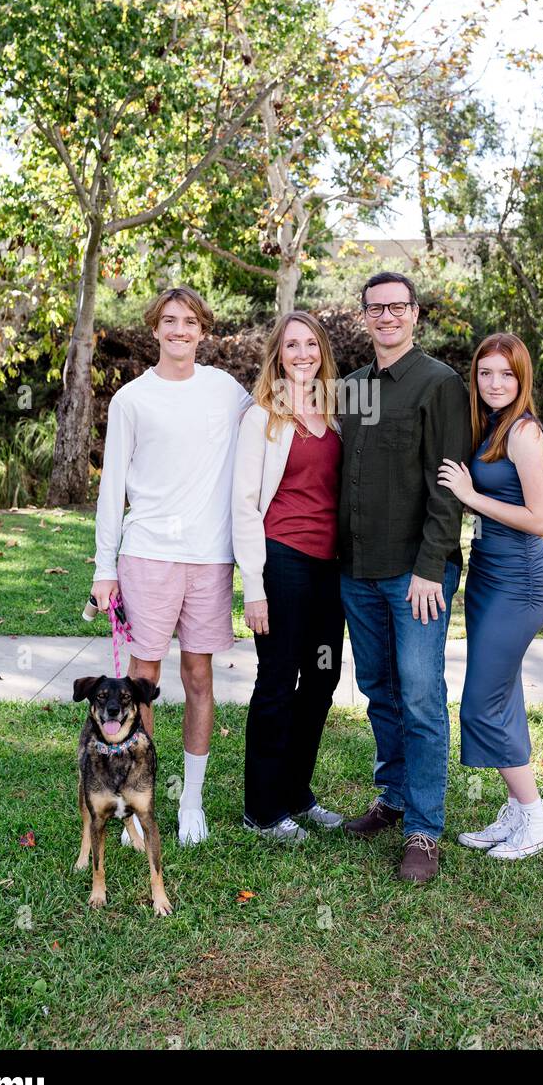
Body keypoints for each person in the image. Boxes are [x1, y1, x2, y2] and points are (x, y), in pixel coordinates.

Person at [92, 285, 251, 847]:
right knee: (145, 680)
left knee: (199, 677)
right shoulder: (132, 400)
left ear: (203, 332)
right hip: (146, 554)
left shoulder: (228, 392)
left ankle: (192, 801)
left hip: (209, 557)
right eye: (169, 320)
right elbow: (112, 488)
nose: (180, 330)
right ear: (155, 328)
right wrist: (102, 569)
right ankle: (140, 802)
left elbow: (274, 428)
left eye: (190, 322)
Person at [338, 272, 471, 883]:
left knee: (420, 697)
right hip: (358, 571)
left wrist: (431, 568)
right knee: (379, 690)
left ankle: (424, 829)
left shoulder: (440, 383)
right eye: (376, 308)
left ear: (415, 313)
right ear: (364, 316)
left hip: (416, 575)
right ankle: (391, 798)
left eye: (397, 307)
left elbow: (450, 485)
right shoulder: (354, 388)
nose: (386, 316)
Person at [438, 331, 543, 860]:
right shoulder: (490, 425)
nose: (494, 383)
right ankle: (516, 807)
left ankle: (536, 817)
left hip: (521, 583)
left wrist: (470, 497)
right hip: (489, 576)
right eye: (485, 373)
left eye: (505, 374)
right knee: (504, 695)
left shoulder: (523, 433)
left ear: (521, 378)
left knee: (482, 705)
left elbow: (541, 520)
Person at [232, 312, 345, 841]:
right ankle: (261, 808)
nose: (302, 353)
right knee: (278, 681)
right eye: (291, 345)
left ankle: (297, 794)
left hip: (331, 568)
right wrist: (253, 588)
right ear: (278, 355)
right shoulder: (262, 418)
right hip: (282, 562)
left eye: (311, 344)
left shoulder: (336, 413)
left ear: (322, 350)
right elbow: (244, 504)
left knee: (322, 680)